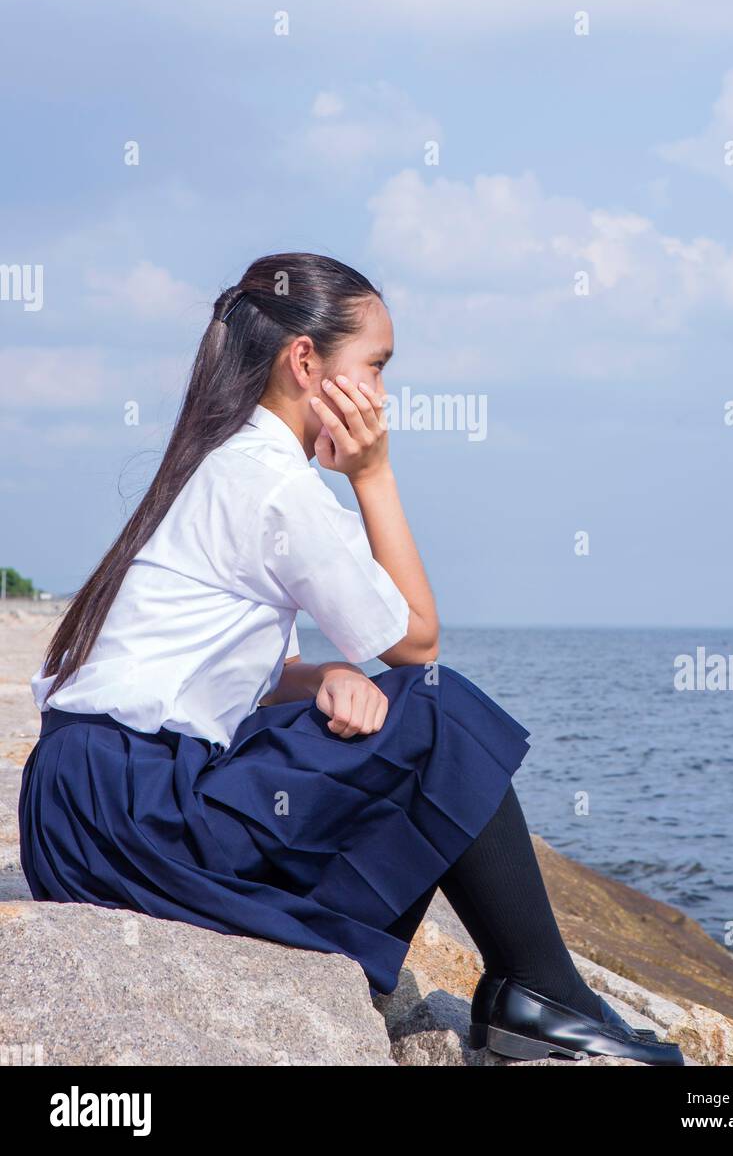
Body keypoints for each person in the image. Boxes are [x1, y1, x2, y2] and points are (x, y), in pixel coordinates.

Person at [18, 252, 683, 1066]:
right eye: (376, 366)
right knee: (436, 707)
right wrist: (374, 473)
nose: (383, 392)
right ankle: (537, 987)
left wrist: (326, 674)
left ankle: (536, 988)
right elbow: (418, 642)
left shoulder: (213, 462)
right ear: (307, 363)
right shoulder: (273, 483)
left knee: (391, 712)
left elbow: (230, 678)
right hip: (135, 811)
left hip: (81, 805)